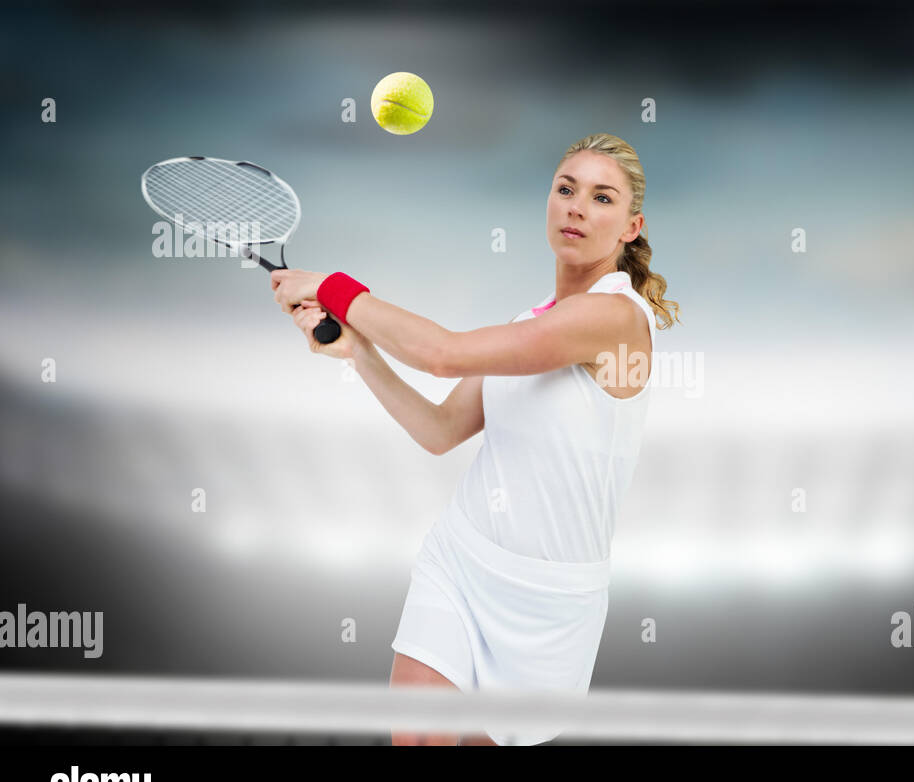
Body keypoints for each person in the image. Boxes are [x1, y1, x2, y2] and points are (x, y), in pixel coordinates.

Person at [271, 133, 681, 745]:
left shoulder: (616, 319)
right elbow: (440, 431)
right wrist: (360, 354)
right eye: (565, 189)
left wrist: (333, 286)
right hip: (461, 560)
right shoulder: (528, 324)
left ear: (631, 226)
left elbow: (443, 355)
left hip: (550, 603)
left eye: (601, 198)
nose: (575, 207)